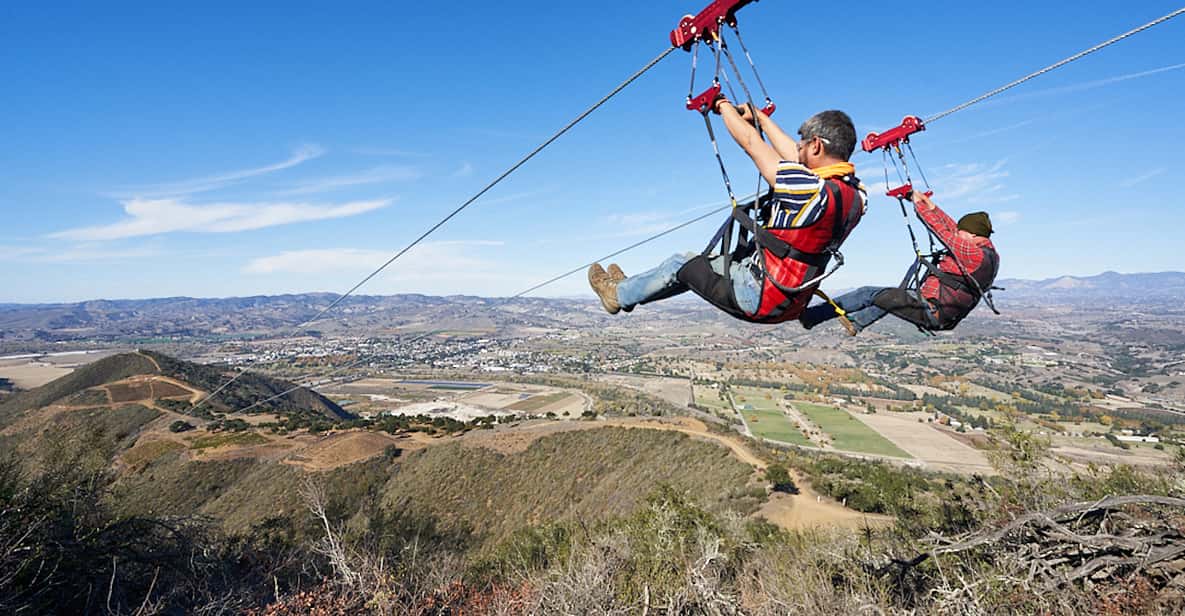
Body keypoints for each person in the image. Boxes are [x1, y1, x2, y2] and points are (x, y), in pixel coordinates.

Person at [588, 98, 866, 324]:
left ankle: (618, 295)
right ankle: (629, 290)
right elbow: (795, 158)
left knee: (679, 263)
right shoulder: (857, 196)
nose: (797, 150)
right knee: (696, 267)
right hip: (791, 298)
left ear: (816, 145)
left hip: (760, 294)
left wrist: (721, 105)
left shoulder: (809, 189)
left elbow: (752, 144)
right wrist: (762, 119)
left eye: (803, 145)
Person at [798, 191, 1000, 335]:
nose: (958, 232)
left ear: (973, 234)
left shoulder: (972, 253)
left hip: (931, 310)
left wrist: (919, 205)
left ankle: (810, 316)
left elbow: (944, 232)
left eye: (962, 231)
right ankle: (857, 323)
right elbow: (952, 229)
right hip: (940, 311)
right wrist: (932, 206)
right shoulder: (989, 255)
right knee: (889, 297)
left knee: (868, 293)